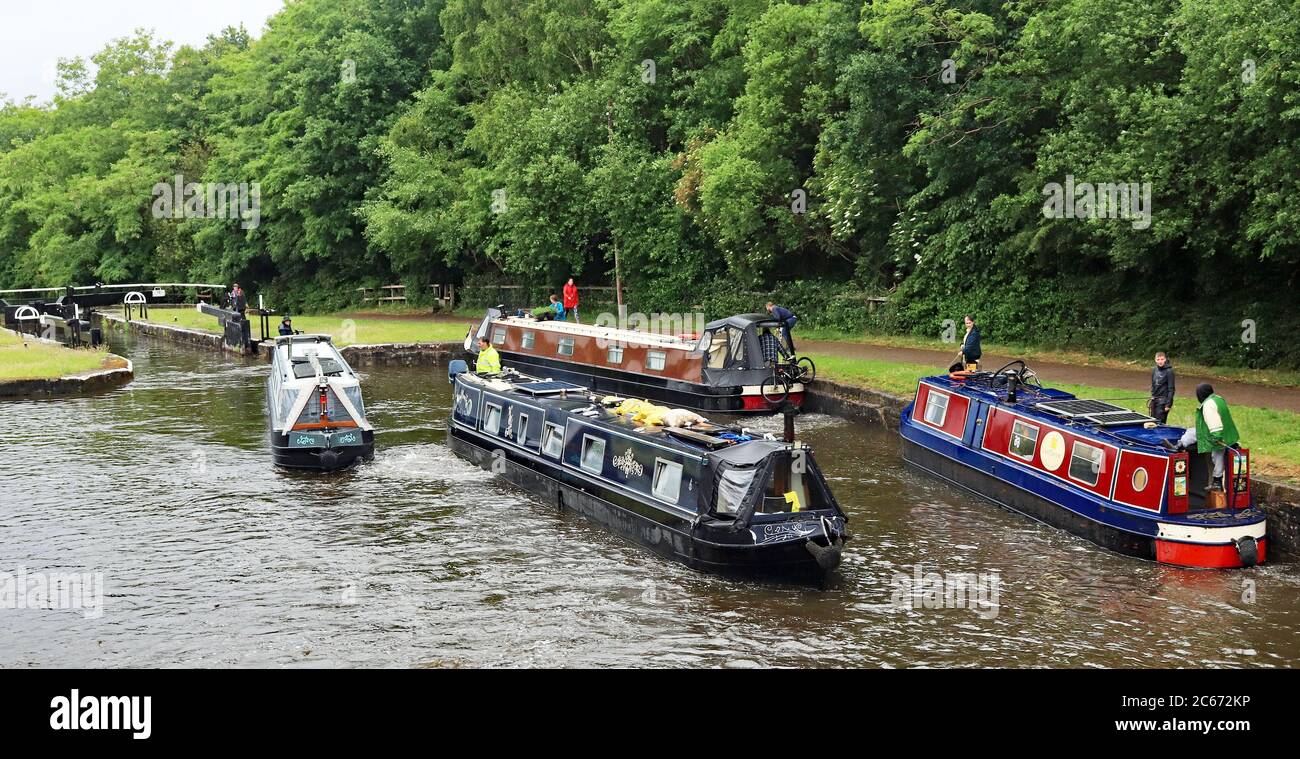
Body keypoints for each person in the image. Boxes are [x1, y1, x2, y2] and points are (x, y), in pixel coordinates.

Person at [1177, 383, 1240, 489]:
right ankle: (1217, 482)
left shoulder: (1208, 405)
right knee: (1218, 455)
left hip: (1218, 434)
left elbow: (1214, 423)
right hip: (1228, 435)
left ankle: (1179, 445)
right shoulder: (1218, 398)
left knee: (1192, 433)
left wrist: (1216, 438)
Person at [1149, 351, 1175, 424]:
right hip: (1154, 400)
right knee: (1152, 422)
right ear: (1155, 360)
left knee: (1159, 423)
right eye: (1158, 359)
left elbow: (1171, 389)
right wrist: (1152, 396)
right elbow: (1153, 385)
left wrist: (1168, 404)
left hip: (1163, 401)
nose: (1160, 361)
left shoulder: (1169, 371)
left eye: (1162, 359)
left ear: (1165, 359)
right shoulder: (1154, 370)